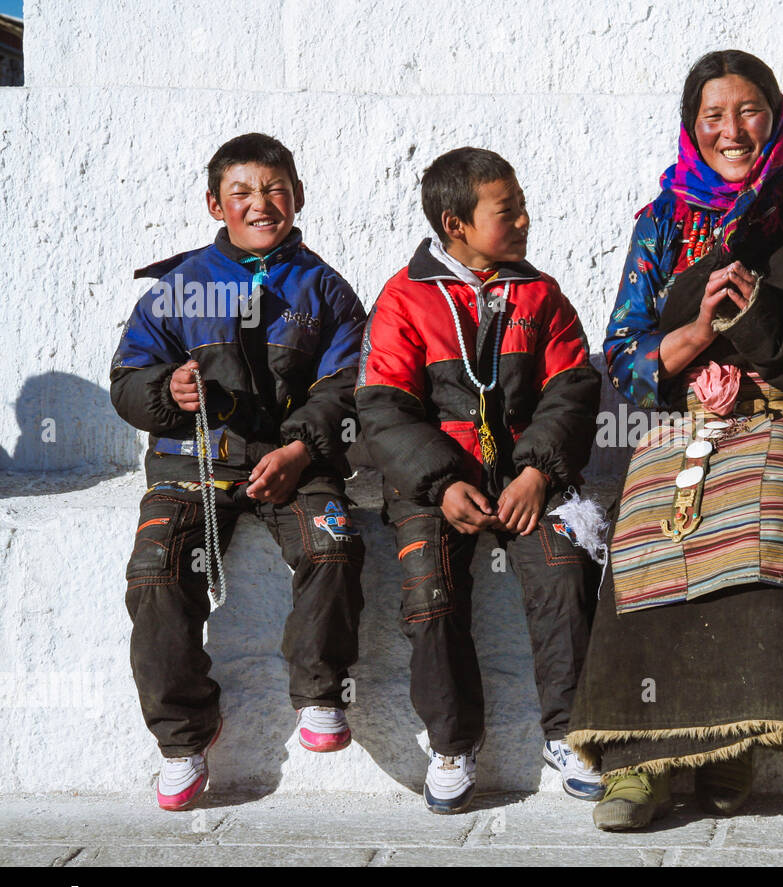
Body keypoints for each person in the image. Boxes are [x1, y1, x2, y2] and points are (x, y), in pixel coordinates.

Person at [567, 50, 783, 830]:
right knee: (648, 530)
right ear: (692, 129)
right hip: (690, 424)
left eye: (748, 110)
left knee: (759, 513)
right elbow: (623, 353)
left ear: (778, 112)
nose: (732, 130)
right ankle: (634, 763)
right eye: (712, 117)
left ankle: (730, 743)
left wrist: (764, 327)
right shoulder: (663, 226)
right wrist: (687, 347)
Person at [111, 132, 368, 811]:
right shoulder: (180, 288)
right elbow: (128, 379)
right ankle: (184, 735)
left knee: (333, 543)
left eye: (276, 189)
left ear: (298, 197)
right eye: (242, 193)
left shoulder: (325, 290)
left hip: (293, 461)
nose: (262, 205)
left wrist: (302, 451)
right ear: (214, 204)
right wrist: (169, 393)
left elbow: (349, 386)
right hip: (192, 463)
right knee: (156, 576)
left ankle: (319, 691)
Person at [356, 147, 604, 814]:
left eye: (522, 205)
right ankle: (453, 741)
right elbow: (384, 407)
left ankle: (571, 732)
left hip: (530, 481)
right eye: (506, 211)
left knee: (564, 574)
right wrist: (439, 484)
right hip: (437, 486)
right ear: (455, 223)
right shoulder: (406, 298)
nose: (524, 219)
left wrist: (536, 471)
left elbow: (573, 390)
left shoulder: (540, 294)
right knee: (428, 591)